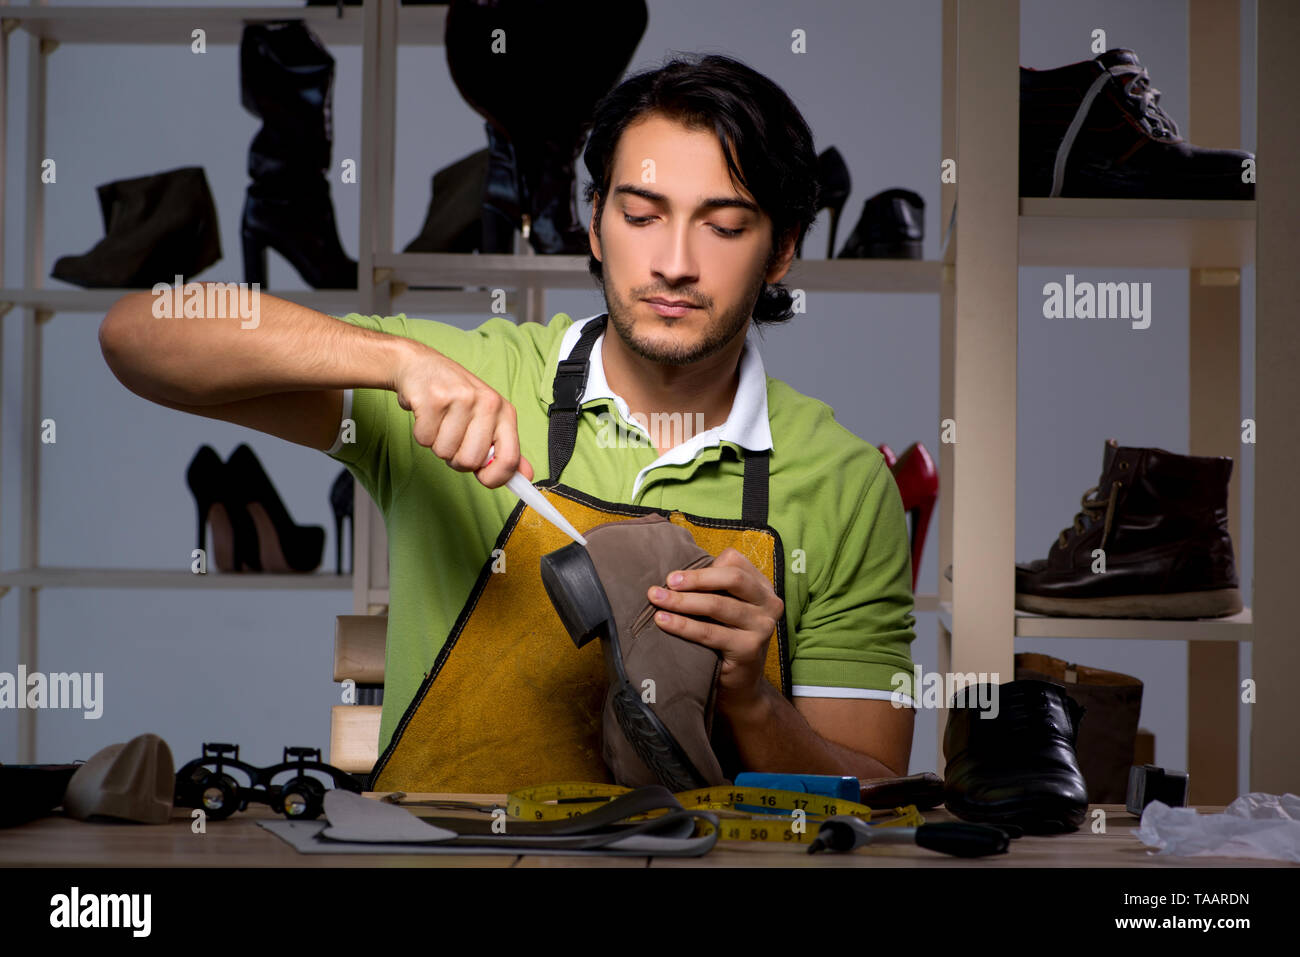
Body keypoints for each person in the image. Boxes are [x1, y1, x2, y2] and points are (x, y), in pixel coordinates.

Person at [99, 53, 916, 789]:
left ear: (780, 252)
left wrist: (754, 700)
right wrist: (393, 362)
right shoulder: (473, 376)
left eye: (724, 225)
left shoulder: (844, 483)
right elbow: (137, 335)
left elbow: (876, 788)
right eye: (641, 215)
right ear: (594, 224)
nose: (675, 261)